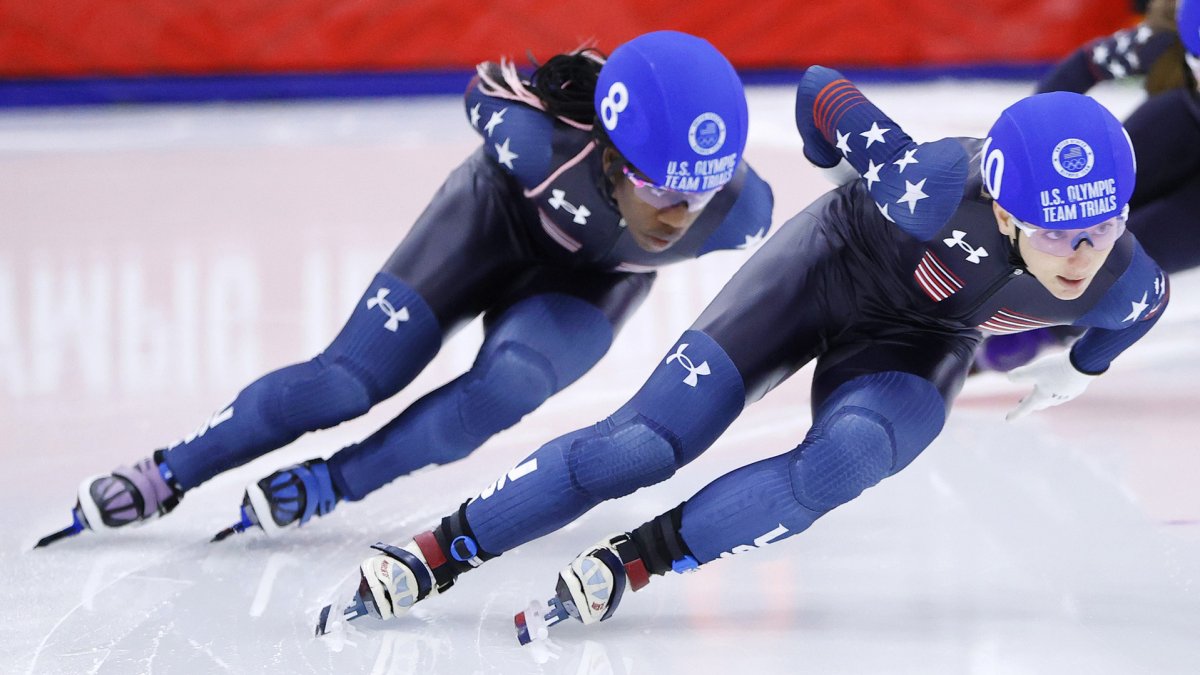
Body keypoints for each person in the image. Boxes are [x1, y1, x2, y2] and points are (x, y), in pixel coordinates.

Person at [335, 66, 1168, 633]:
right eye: (1061, 234)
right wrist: (817, 153)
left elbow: (1136, 313)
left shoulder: (1128, 281)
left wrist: (1077, 367)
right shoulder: (931, 188)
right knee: (642, 444)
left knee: (846, 461)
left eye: (1104, 228)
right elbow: (821, 91)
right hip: (821, 271)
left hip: (919, 343)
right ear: (1008, 209)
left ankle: (636, 560)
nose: (1084, 255)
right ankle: (443, 548)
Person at [37, 31, 774, 546]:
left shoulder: (742, 214)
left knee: (508, 387)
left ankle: (336, 481)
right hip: (491, 222)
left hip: (592, 282)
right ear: (609, 154)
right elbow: (482, 85)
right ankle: (169, 470)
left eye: (701, 191)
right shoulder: (533, 139)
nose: (679, 214)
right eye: (658, 186)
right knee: (345, 382)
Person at [976, 0, 1199, 371]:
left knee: (1130, 252)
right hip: (1181, 121)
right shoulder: (1161, 43)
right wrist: (1036, 145)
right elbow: (1083, 66)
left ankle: (1046, 329)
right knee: (1085, 196)